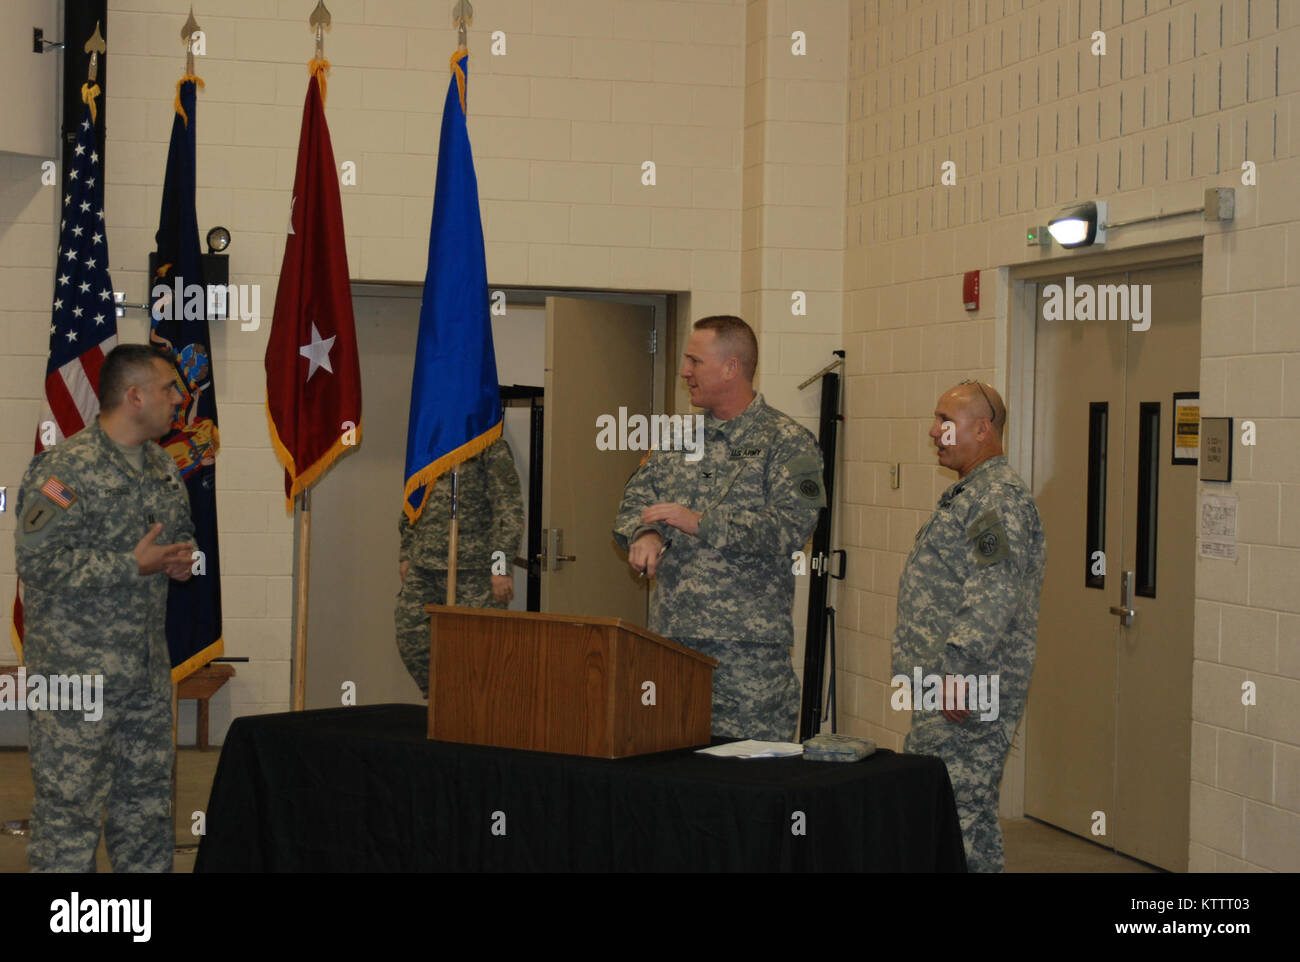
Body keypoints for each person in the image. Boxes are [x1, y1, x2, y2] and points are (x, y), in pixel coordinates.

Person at [15, 344, 196, 872]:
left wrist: (185, 563)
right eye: (168, 387)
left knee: (144, 812)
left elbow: (181, 544)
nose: (178, 398)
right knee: (68, 815)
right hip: (75, 682)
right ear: (133, 394)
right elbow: (38, 563)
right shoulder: (63, 470)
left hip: (143, 678)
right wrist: (130, 566)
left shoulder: (164, 467)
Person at [614, 315, 825, 741]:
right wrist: (645, 533)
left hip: (746, 652)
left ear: (731, 367)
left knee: (751, 777)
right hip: (672, 643)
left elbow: (793, 525)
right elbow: (634, 502)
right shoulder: (677, 437)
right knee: (670, 771)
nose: (684, 372)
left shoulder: (788, 442)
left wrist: (701, 523)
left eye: (695, 361)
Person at [892, 380, 1046, 873]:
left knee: (960, 817)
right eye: (936, 421)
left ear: (983, 429)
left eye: (946, 421)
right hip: (947, 687)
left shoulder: (995, 499)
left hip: (966, 688)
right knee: (948, 813)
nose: (934, 431)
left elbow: (992, 590)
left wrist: (958, 673)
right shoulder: (971, 494)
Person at [394, 437, 525, 697]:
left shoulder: (488, 443)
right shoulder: (430, 439)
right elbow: (413, 497)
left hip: (474, 572)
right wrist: (407, 551)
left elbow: (508, 510)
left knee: (479, 658)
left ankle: (471, 717)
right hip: (425, 566)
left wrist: (500, 568)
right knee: (412, 637)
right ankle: (443, 702)